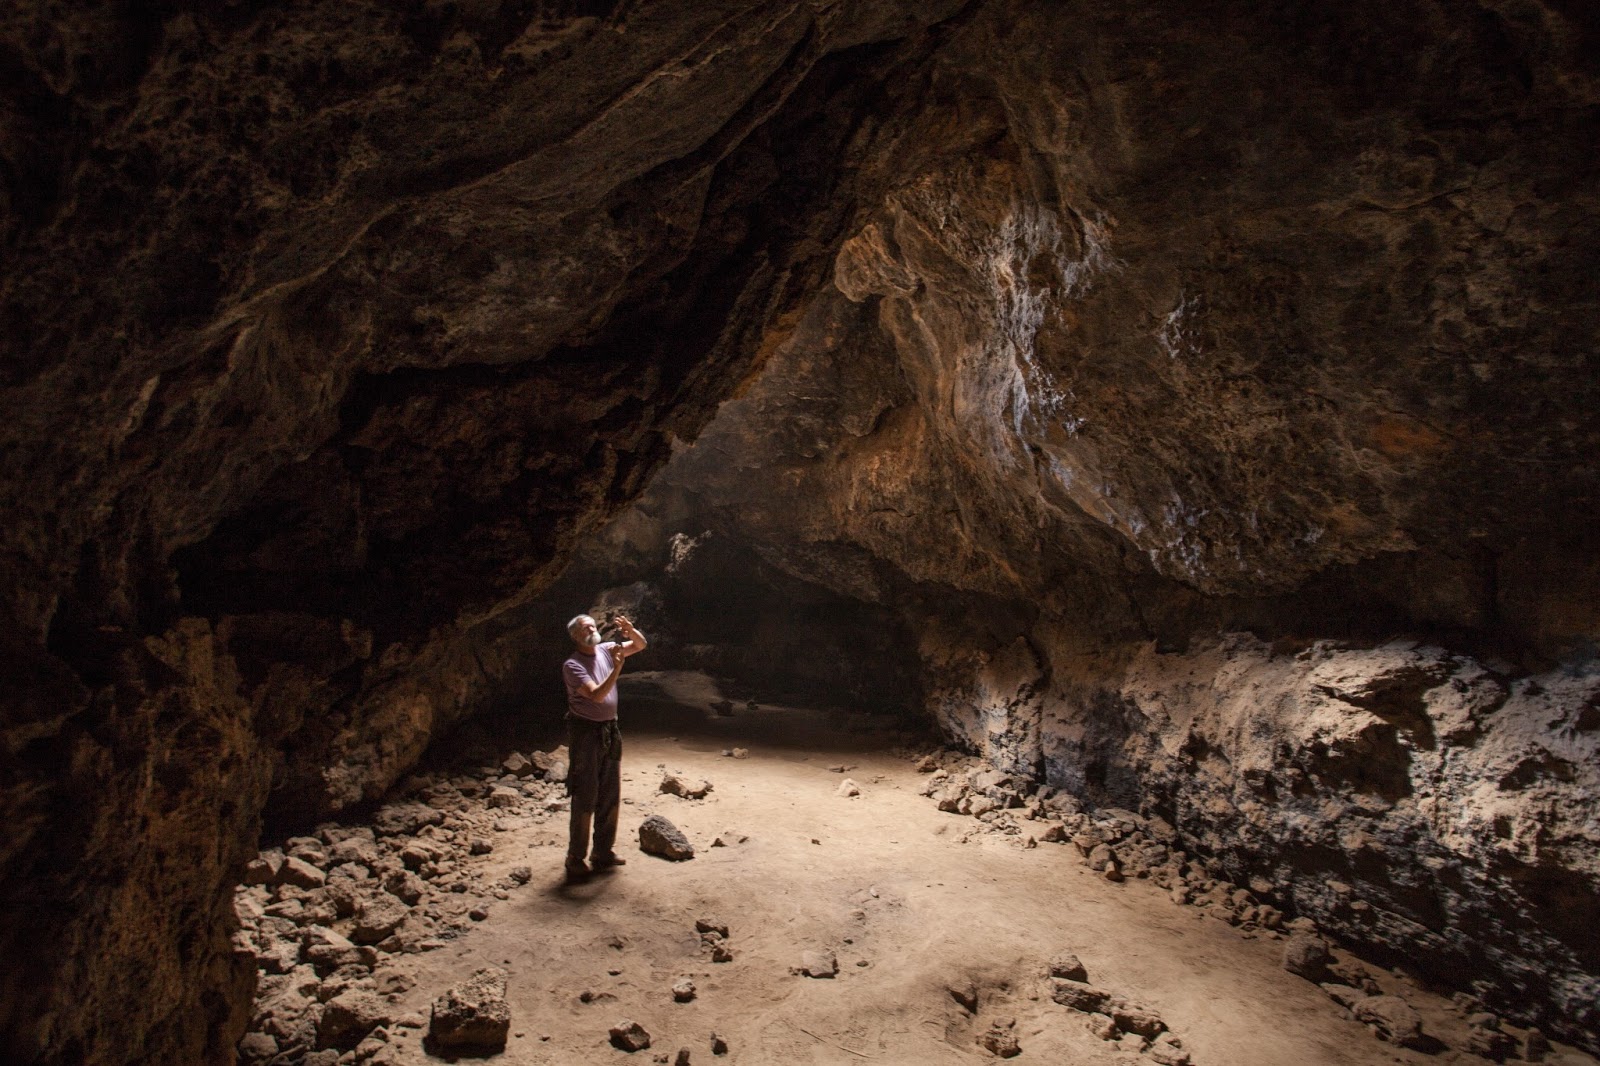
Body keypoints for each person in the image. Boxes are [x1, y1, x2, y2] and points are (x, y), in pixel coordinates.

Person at [561, 611, 647, 882]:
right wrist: (617, 670)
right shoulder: (572, 666)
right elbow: (597, 695)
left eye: (592, 625)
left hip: (610, 729)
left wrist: (631, 631)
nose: (591, 629)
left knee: (610, 792)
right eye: (584, 628)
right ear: (575, 636)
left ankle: (602, 852)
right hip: (586, 733)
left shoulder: (607, 649)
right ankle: (576, 857)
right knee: (586, 794)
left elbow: (641, 645)